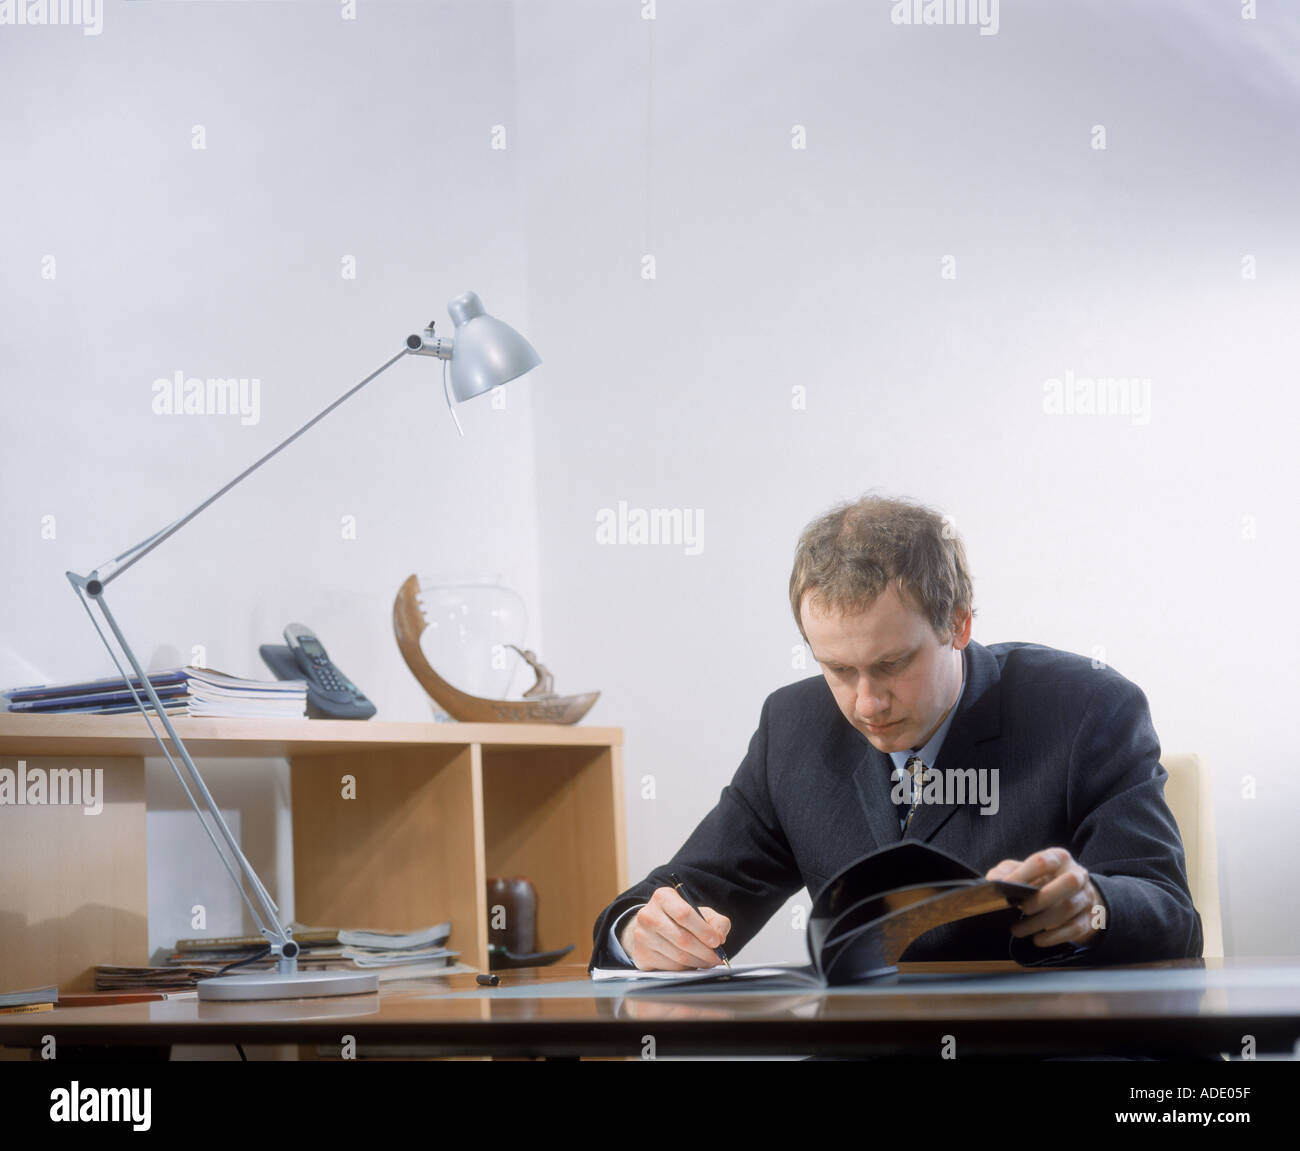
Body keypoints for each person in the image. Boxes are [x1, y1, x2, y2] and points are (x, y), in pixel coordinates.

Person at [589, 495, 1202, 972]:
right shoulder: (793, 729)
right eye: (837, 669)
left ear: (958, 623)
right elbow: (690, 890)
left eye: (891, 665)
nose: (866, 703)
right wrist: (639, 932)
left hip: (1049, 1048)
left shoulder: (1088, 706)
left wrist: (1089, 906)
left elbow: (1171, 912)